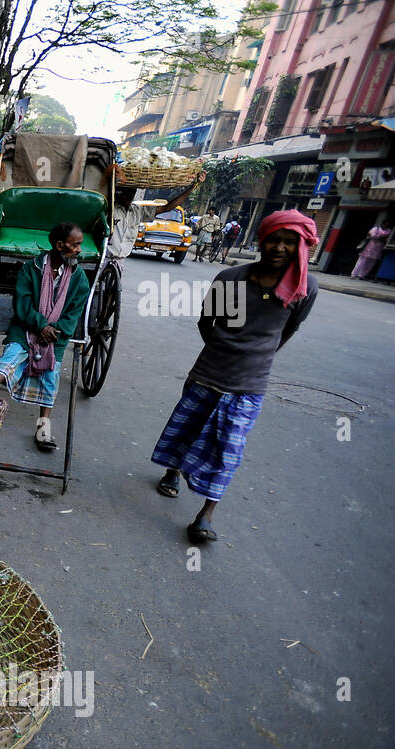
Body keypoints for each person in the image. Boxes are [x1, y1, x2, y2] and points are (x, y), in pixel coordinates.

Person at [151, 210, 319, 545]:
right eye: (274, 238)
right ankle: (173, 471)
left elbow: (287, 330)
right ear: (262, 239)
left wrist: (257, 357)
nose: (280, 247)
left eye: (289, 242)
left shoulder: (303, 288)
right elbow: (208, 323)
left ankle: (206, 514)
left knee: (228, 448)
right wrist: (225, 351)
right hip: (208, 373)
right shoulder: (233, 279)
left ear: (301, 247)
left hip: (249, 385)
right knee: (189, 430)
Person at [0, 222, 89, 452]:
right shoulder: (31, 268)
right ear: (59, 245)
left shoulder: (79, 278)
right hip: (25, 327)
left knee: (51, 376)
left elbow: (74, 314)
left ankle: (43, 426)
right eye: (75, 245)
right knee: (13, 354)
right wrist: (41, 325)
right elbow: (22, 303)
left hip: (56, 336)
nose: (79, 250)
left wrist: (53, 330)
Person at [111, 170, 205, 264]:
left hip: (120, 260)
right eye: (126, 193)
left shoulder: (137, 211)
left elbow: (166, 208)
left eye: (132, 193)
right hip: (105, 256)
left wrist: (192, 187)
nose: (129, 196)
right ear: (119, 193)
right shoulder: (110, 209)